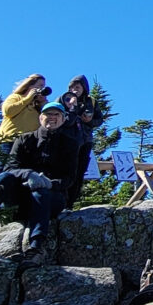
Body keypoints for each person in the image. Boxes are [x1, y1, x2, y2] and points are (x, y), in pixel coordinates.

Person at [0, 99, 81, 253]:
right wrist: (29, 174)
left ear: (63, 119)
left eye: (57, 114)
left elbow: (69, 178)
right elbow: (10, 167)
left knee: (41, 192)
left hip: (51, 198)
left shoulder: (70, 144)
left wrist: (49, 183)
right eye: (48, 114)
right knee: (3, 179)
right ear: (41, 117)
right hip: (20, 195)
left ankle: (35, 247)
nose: (52, 117)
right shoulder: (24, 139)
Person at [56, 75, 102, 212]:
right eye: (72, 87)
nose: (74, 90)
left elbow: (99, 120)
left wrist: (89, 121)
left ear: (84, 88)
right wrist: (73, 108)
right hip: (67, 141)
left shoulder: (91, 102)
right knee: (66, 171)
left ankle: (70, 204)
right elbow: (57, 118)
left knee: (79, 172)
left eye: (77, 87)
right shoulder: (64, 99)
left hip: (85, 141)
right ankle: (60, 203)